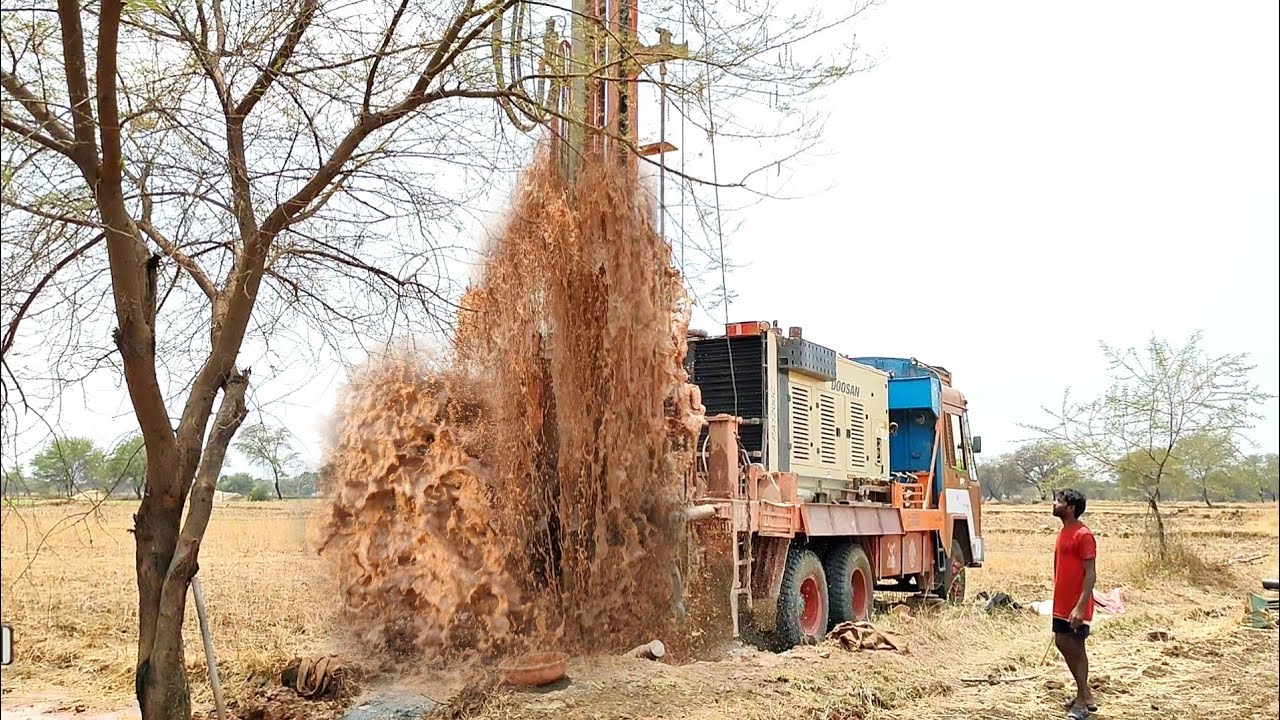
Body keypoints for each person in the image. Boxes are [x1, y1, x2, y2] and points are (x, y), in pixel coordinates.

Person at [1052, 488, 1097, 719]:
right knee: (1062, 642)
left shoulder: (1083, 535)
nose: (1054, 504)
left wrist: (1080, 606)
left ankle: (1081, 702)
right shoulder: (1063, 533)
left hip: (1076, 603)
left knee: (1077, 647)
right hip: (1061, 602)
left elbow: (1090, 574)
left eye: (1059, 501)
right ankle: (1086, 694)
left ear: (1070, 508)